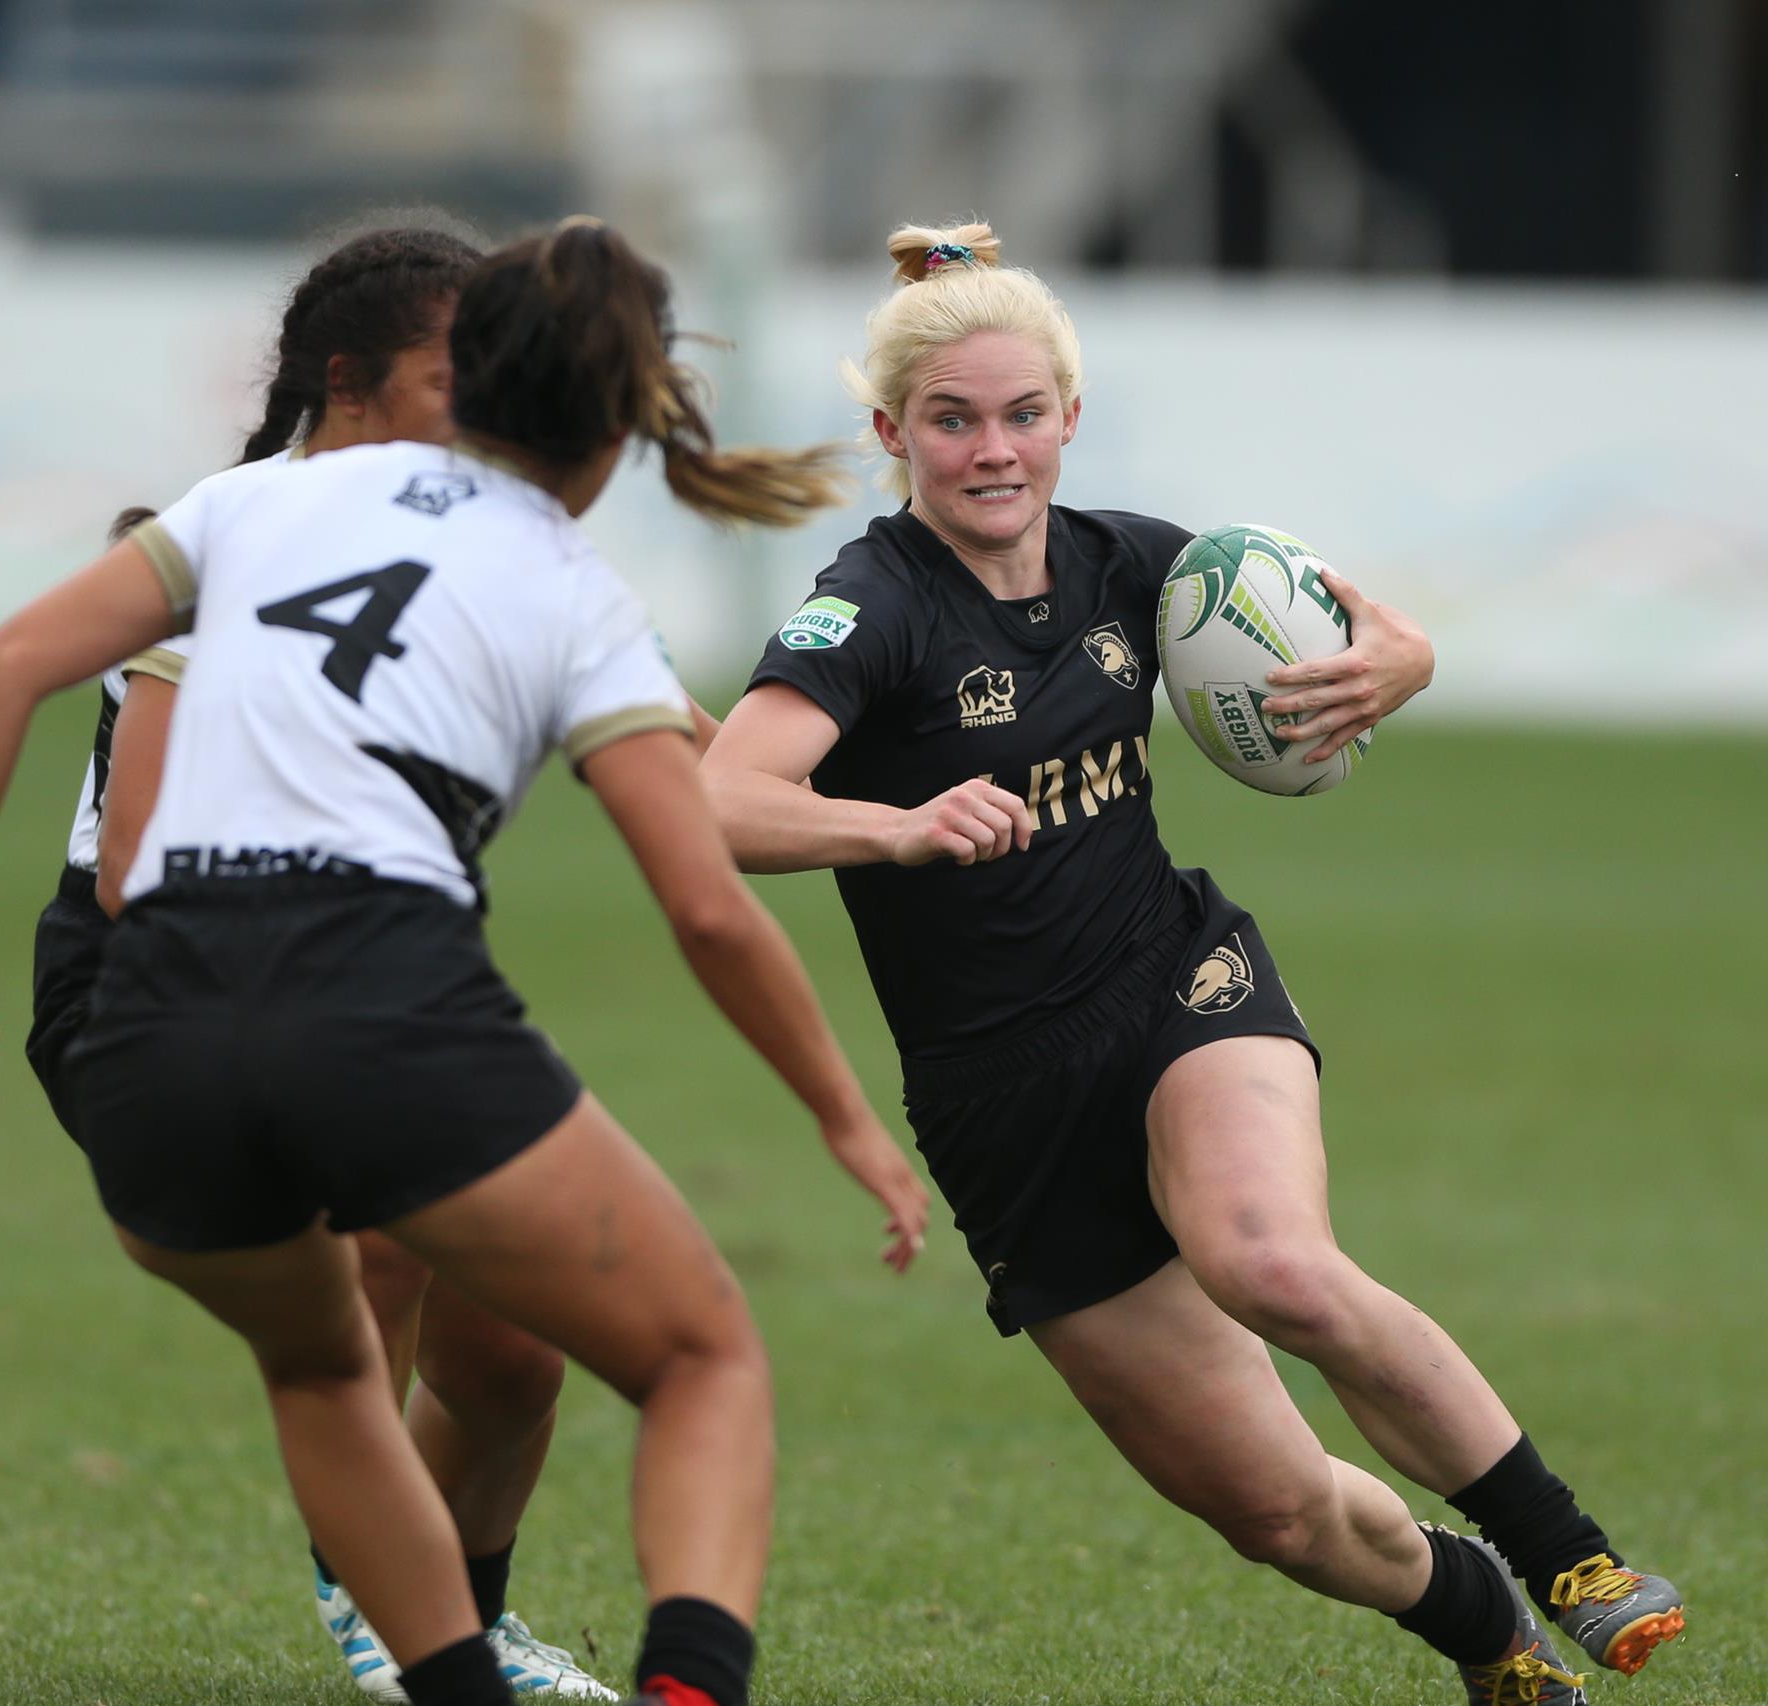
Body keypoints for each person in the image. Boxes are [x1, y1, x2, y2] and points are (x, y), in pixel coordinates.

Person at [0, 216, 930, 1706]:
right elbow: (698, 892)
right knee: (701, 1357)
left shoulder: (269, 521)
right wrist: (843, 1116)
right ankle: (620, 1670)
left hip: (176, 1036)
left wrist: (882, 826)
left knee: (473, 1356)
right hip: (278, 980)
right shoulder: (514, 568)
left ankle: (453, 1646)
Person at [699, 221, 1684, 1705]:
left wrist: (1397, 665)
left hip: (1178, 989)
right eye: (953, 421)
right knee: (1279, 1509)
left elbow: (1387, 627)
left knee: (1271, 1260)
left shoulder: (1133, 563)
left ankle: (1572, 1554)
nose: (993, 451)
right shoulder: (874, 603)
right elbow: (721, 797)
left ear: (1070, 416)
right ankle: (1480, 1614)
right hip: (1002, 1106)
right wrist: (891, 827)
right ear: (892, 432)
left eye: (1024, 414)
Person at [23, 223, 614, 1701]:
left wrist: (869, 803)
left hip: (344, 965)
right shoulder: (233, 530)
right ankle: (379, 1601)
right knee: (389, 1226)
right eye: (456, 371)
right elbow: (128, 856)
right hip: (152, 973)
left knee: (513, 1360)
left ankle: (470, 1624)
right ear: (354, 386)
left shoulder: (449, 528)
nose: (488, 400)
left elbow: (655, 757)